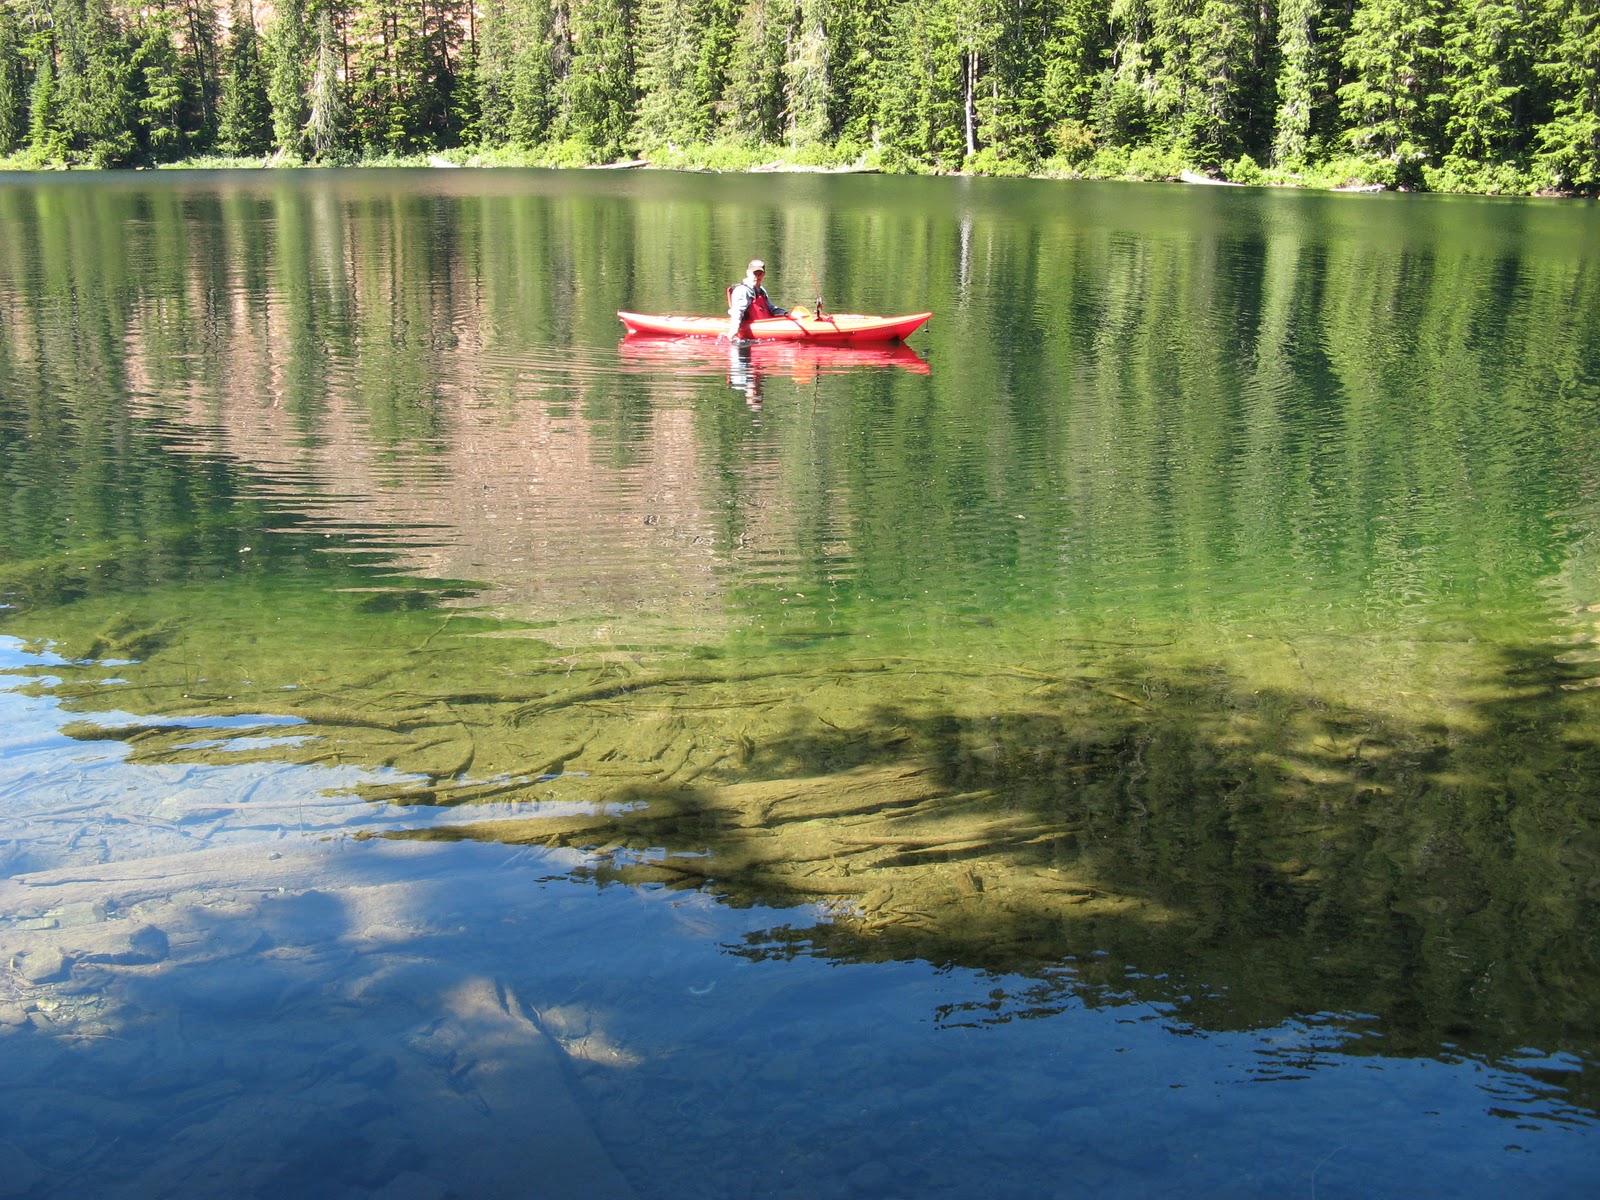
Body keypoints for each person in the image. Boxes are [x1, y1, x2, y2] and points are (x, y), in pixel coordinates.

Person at [725, 259, 788, 339]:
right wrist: (734, 329)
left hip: (762, 324)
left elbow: (771, 308)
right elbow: (737, 311)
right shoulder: (742, 291)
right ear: (748, 273)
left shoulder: (761, 290)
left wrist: (786, 314)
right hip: (747, 326)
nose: (757, 277)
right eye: (754, 273)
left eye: (760, 274)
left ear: (763, 274)